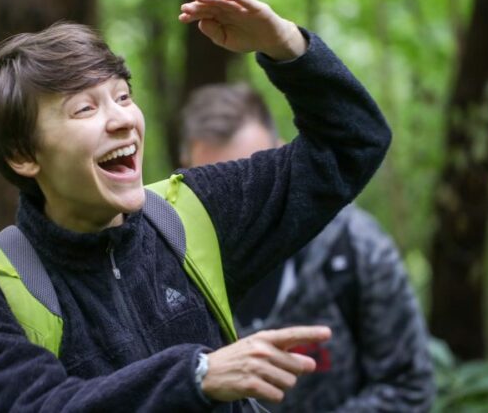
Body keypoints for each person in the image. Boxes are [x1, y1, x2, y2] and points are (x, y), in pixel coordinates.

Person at [0, 0, 392, 412]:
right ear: (22, 155)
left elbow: (351, 146)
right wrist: (196, 374)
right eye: (85, 108)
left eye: (122, 96)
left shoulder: (195, 211)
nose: (121, 119)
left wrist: (287, 46)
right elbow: (43, 405)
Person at [180, 83, 434, 412]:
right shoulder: (168, 266)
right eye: (214, 183)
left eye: (252, 176)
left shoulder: (354, 247)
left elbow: (410, 386)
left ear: (285, 160)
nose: (238, 202)